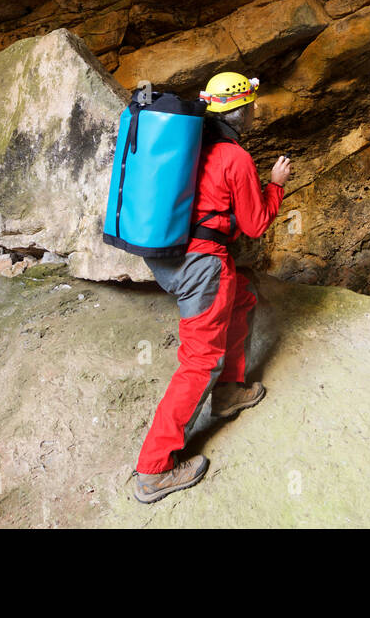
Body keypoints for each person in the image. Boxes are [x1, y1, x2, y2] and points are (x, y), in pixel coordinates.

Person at [132, 71, 292, 504]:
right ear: (241, 110)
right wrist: (275, 186)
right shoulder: (235, 158)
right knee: (200, 360)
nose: (255, 110)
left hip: (169, 255)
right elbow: (256, 224)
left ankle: (228, 392)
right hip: (202, 265)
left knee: (243, 298)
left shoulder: (189, 140)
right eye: (252, 104)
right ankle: (153, 470)